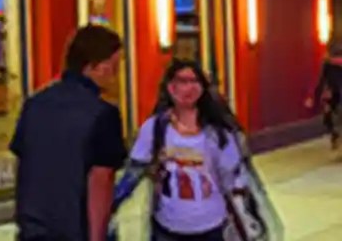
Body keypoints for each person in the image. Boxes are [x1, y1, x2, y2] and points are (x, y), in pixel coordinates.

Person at [115, 59, 270, 241]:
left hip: (212, 225)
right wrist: (111, 202)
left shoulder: (218, 133)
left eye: (194, 81)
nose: (188, 88)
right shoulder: (155, 128)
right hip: (168, 226)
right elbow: (134, 171)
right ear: (170, 88)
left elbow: (234, 179)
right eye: (181, 82)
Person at [10, 25, 128, 241]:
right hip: (75, 230)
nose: (115, 76)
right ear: (95, 66)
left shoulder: (34, 104)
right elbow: (100, 183)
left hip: (33, 229)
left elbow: (23, 166)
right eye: (114, 66)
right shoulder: (104, 114)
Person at [306, 42, 342, 150]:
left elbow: (321, 82)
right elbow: (321, 81)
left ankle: (335, 136)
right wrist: (313, 97)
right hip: (334, 93)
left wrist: (313, 98)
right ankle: (335, 136)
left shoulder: (328, 64)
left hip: (335, 93)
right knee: (328, 115)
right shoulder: (328, 65)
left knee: (330, 115)